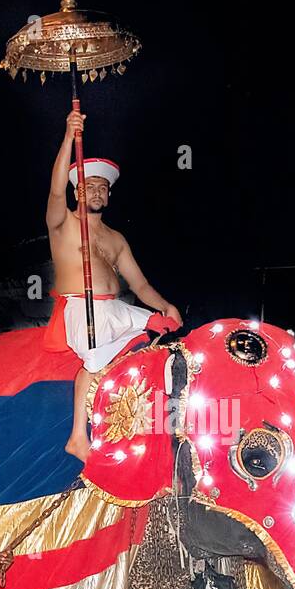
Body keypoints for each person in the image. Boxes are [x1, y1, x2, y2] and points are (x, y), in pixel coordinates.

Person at [43, 110, 181, 461]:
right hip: (84, 307)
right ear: (78, 191)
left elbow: (140, 284)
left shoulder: (116, 238)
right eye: (90, 185)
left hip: (117, 307)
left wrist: (165, 306)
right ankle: (78, 436)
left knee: (160, 332)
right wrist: (68, 136)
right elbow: (56, 189)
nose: (98, 191)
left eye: (103, 188)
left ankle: (147, 426)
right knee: (93, 362)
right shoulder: (63, 225)